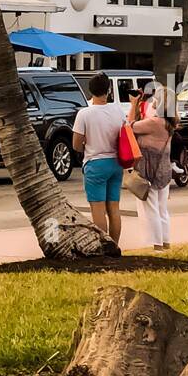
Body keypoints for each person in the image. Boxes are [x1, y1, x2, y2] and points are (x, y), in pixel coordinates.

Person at [72, 71, 126, 247]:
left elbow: (76, 145)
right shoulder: (117, 110)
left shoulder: (84, 114)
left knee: (98, 210)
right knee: (114, 208)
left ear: (90, 90)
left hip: (95, 163)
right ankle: (115, 245)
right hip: (116, 162)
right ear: (108, 90)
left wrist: (86, 144)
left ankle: (103, 247)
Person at [129, 81, 174, 251]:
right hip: (164, 170)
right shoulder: (170, 122)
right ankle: (165, 241)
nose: (153, 100)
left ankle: (157, 245)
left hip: (149, 169)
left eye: (156, 98)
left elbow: (130, 126)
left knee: (151, 209)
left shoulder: (155, 122)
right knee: (162, 209)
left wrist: (134, 104)